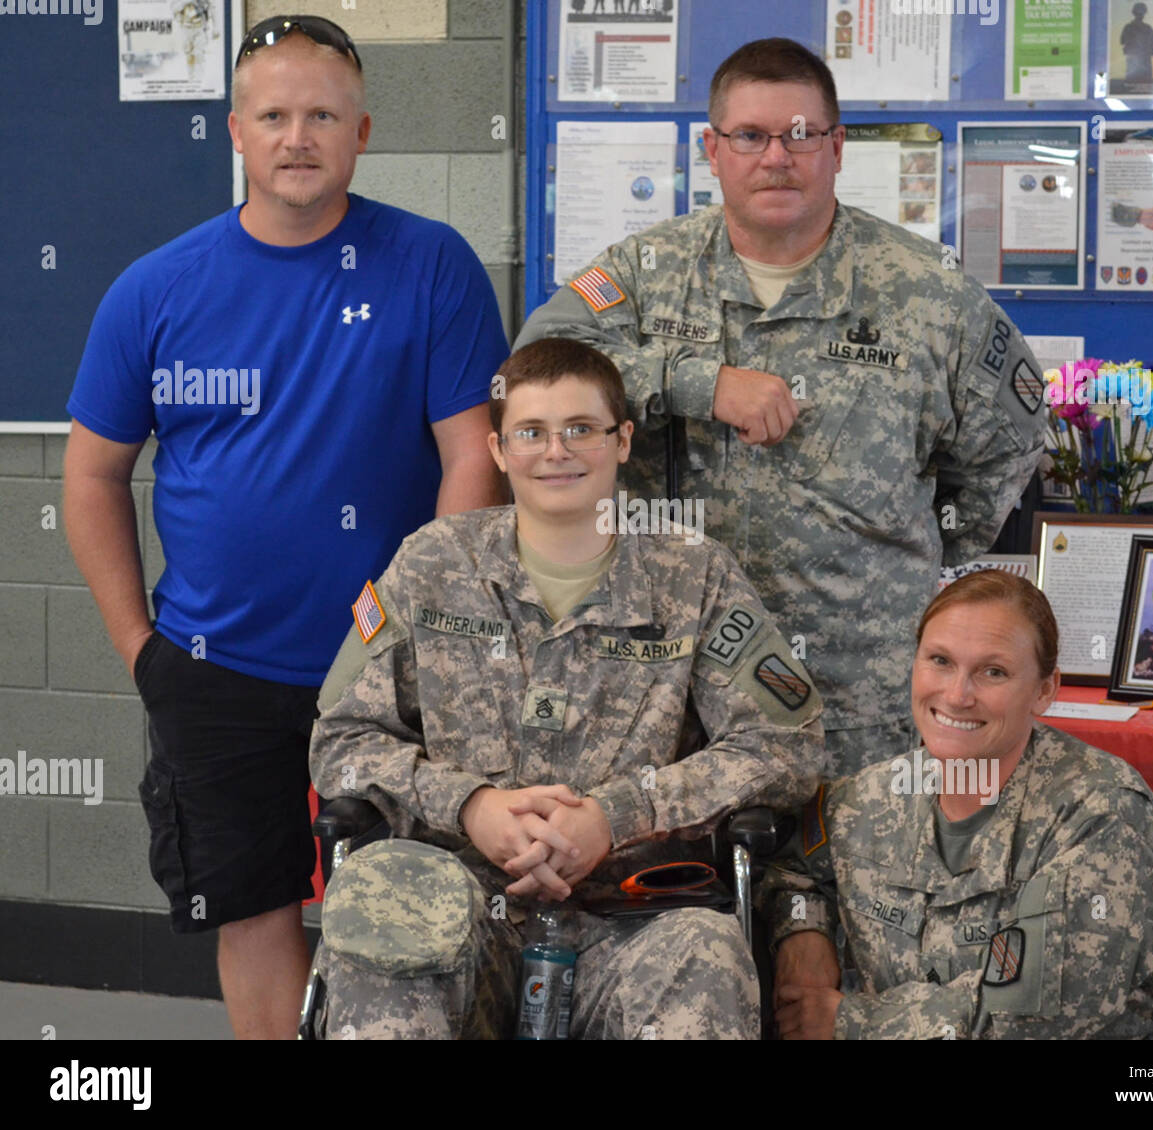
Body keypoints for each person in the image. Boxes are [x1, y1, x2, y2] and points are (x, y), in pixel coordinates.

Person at [62, 15, 508, 1039]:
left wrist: (412, 628)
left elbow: (470, 455)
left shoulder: (432, 264)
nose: (297, 136)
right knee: (254, 910)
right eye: (273, 115)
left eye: (322, 115)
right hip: (213, 670)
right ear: (235, 132)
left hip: (390, 671)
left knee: (407, 914)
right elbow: (91, 475)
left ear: (362, 132)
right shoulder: (154, 289)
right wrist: (142, 651)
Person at [516, 37, 1046, 774]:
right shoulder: (646, 274)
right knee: (674, 890)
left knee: (861, 886)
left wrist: (901, 560)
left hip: (856, 700)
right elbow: (529, 374)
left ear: (836, 147)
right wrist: (700, 383)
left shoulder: (928, 294)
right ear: (712, 148)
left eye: (800, 135)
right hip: (669, 694)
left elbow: (1007, 448)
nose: (776, 156)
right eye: (751, 136)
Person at [307, 337, 825, 1039]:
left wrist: (616, 816)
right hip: (459, 915)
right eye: (533, 433)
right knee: (383, 905)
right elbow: (341, 738)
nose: (557, 452)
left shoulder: (695, 574)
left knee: (708, 954)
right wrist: (471, 806)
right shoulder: (432, 562)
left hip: (634, 922)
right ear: (497, 450)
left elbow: (786, 746)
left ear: (623, 441)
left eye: (582, 429)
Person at [759, 570, 1153, 1039]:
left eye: (993, 672)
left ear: (1045, 690)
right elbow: (796, 872)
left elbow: (1032, 1017)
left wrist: (847, 1023)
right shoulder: (866, 799)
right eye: (940, 661)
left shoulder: (1101, 816)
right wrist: (802, 936)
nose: (957, 695)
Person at [1121, 3, 1153, 85]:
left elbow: (1122, 42)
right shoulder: (1147, 28)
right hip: (1140, 62)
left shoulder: (1128, 27)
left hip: (1137, 62)